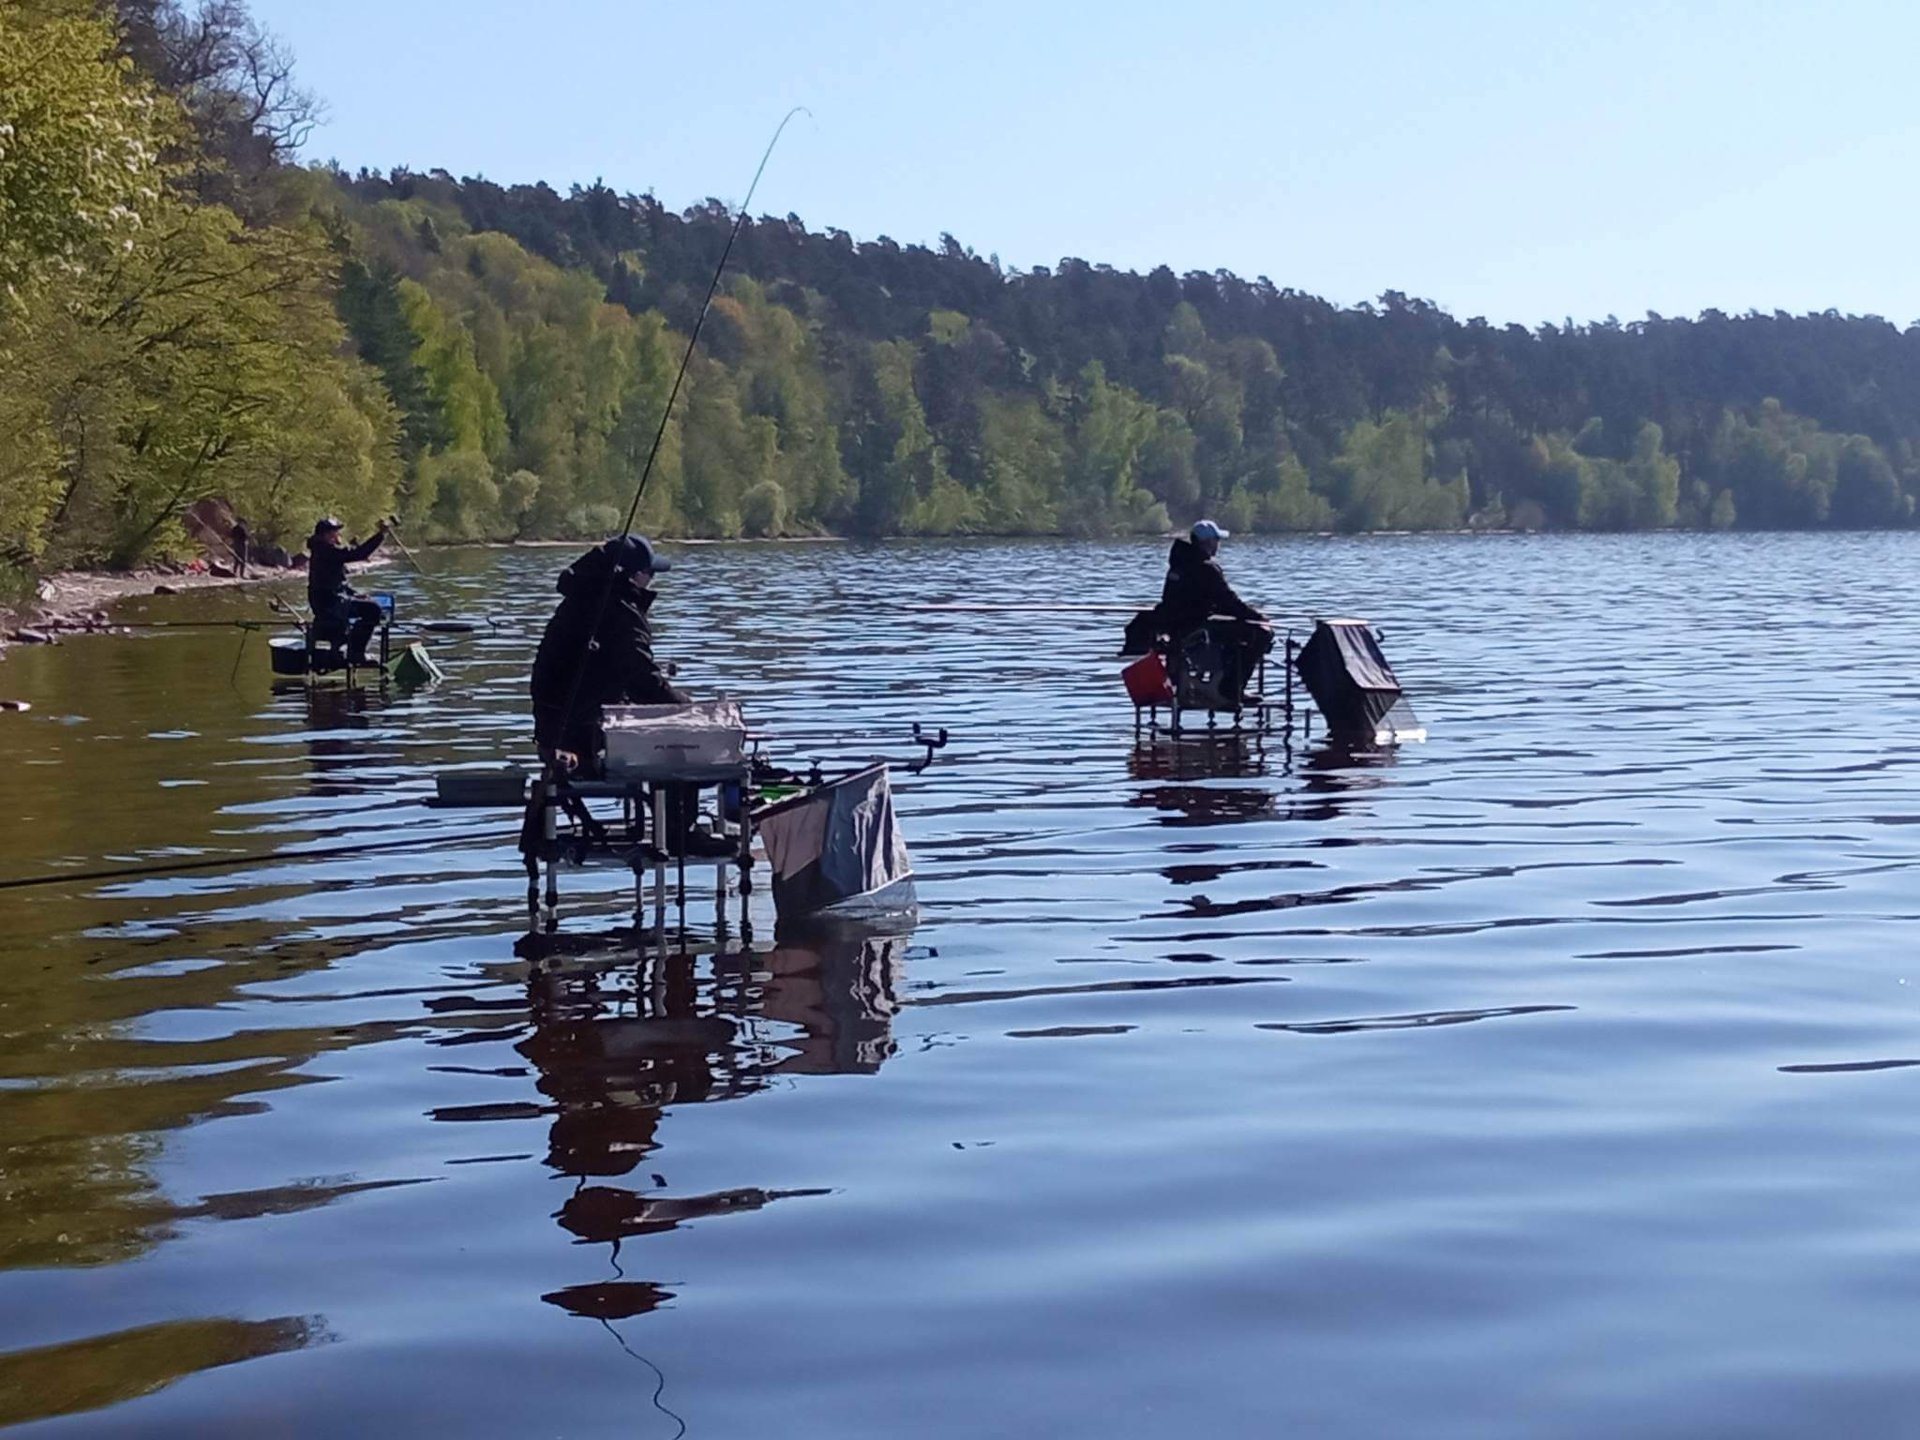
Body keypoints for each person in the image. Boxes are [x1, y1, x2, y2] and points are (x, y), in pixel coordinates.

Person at [530, 534, 689, 770]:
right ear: (635, 577)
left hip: (550, 731)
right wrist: (687, 707)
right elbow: (643, 681)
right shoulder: (620, 613)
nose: (651, 581)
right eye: (651, 574)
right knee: (684, 746)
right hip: (581, 735)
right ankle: (679, 804)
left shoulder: (579, 600)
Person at [1150, 518, 1272, 706]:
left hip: (1178, 630)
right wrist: (1257, 617)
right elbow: (1228, 601)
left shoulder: (1179, 565)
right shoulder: (1205, 568)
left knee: (1235, 630)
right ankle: (1230, 690)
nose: (1218, 545)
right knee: (1260, 633)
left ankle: (1218, 684)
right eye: (1216, 541)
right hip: (1195, 630)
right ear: (1207, 543)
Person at [307, 516, 389, 665]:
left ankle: (351, 650)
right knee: (373, 610)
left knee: (368, 604)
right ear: (326, 535)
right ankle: (356, 653)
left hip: (330, 600)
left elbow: (337, 583)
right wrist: (380, 535)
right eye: (335, 532)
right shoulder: (325, 551)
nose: (338, 535)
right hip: (329, 604)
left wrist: (355, 594)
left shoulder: (323, 550)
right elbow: (358, 554)